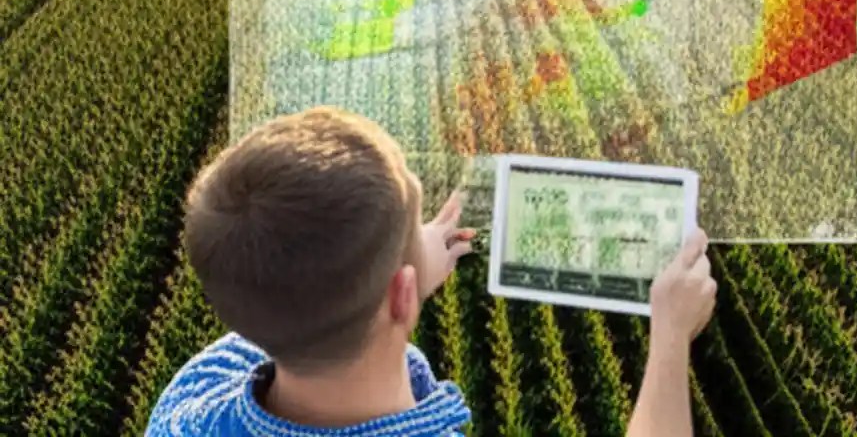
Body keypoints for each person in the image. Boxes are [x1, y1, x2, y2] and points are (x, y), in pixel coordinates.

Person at [146, 106, 717, 437]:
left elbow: (299, 299)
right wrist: (669, 340)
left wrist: (397, 266)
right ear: (403, 294)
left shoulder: (187, 410)